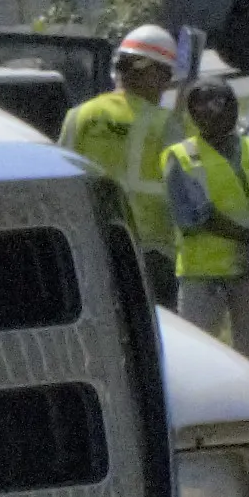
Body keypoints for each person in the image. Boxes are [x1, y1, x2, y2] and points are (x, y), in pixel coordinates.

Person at [165, 70, 249, 362]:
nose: (206, 112)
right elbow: (194, 216)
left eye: (215, 103)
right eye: (198, 105)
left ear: (233, 107)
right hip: (203, 275)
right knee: (197, 357)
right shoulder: (180, 156)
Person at [64, 26, 187, 307]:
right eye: (165, 75)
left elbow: (63, 179)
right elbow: (190, 187)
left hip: (93, 244)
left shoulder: (79, 116)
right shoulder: (164, 123)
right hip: (151, 249)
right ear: (151, 72)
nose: (165, 85)